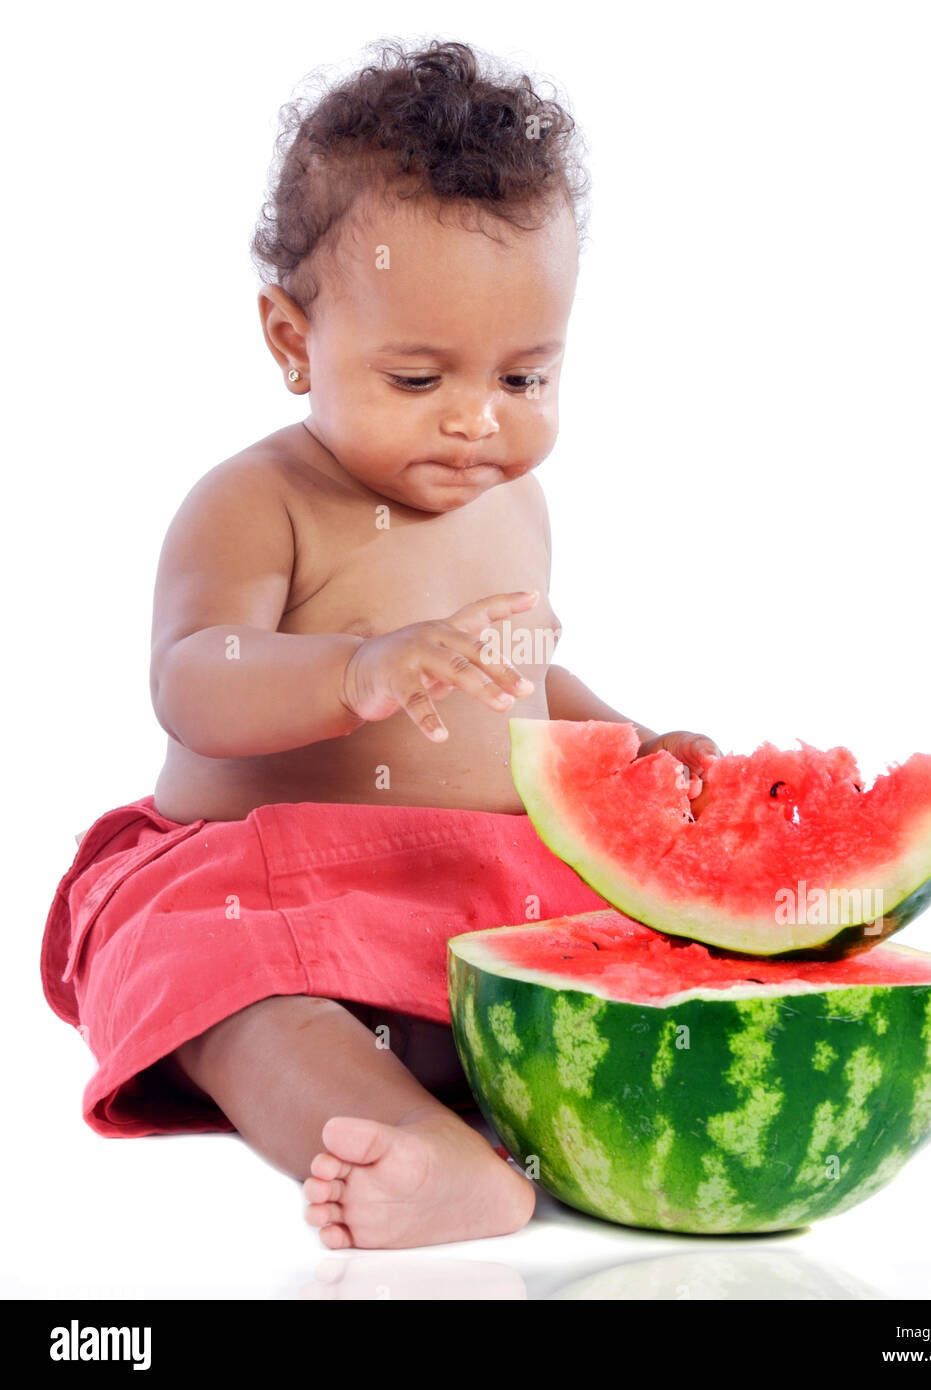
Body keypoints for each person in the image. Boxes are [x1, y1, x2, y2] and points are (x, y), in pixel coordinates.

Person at [41, 38, 721, 1250]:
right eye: (417, 376)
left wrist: (626, 743)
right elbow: (193, 679)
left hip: (477, 902)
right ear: (293, 342)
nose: (477, 420)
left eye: (525, 375)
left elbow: (521, 683)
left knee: (647, 960)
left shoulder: (514, 503)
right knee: (239, 1001)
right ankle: (401, 1147)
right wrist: (358, 671)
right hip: (261, 883)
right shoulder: (259, 501)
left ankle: (512, 1108)